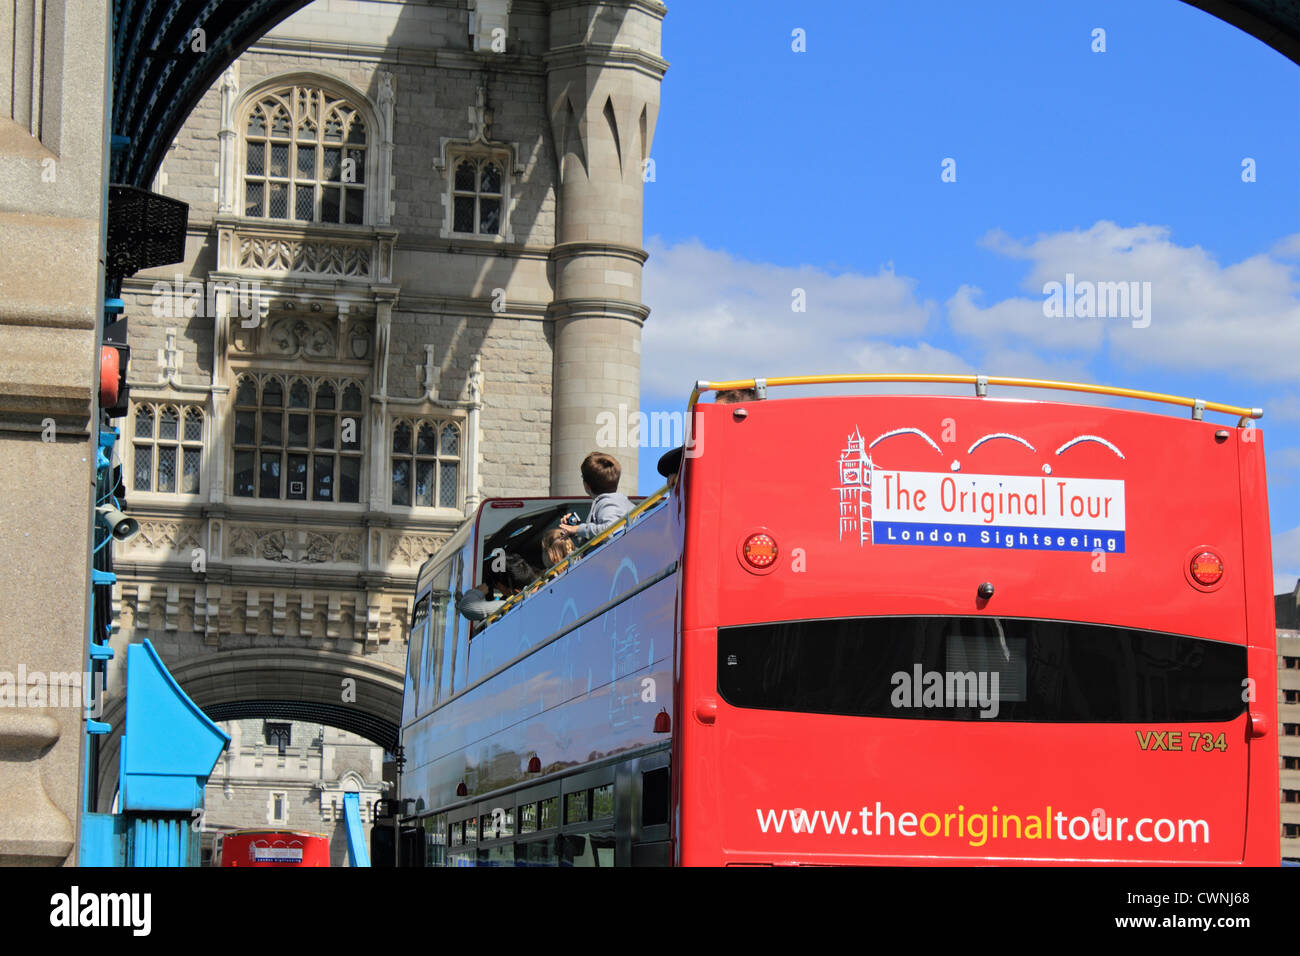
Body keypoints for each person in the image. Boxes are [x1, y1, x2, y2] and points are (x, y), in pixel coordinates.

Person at [657, 387, 763, 482]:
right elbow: (666, 464)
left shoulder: (767, 449)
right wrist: (681, 474)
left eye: (719, 413)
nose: (713, 419)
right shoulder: (715, 450)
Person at [558, 451, 633, 545]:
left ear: (586, 485)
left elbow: (610, 531)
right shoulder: (620, 502)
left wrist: (578, 529)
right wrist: (573, 530)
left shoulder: (607, 502)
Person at [456, 552, 538, 622]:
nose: (496, 587)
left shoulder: (513, 604)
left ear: (515, 590)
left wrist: (478, 592)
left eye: (496, 584)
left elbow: (467, 606)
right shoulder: (546, 584)